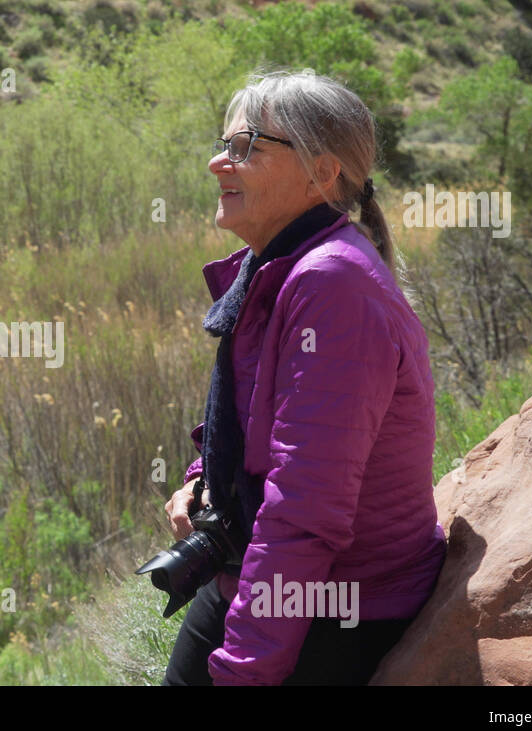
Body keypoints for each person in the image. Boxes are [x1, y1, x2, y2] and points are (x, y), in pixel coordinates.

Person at [160, 70, 447, 686]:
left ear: (322, 173)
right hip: (264, 576)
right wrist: (201, 482)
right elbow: (255, 408)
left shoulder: (331, 283)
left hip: (335, 604)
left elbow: (307, 505)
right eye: (223, 143)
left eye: (245, 148)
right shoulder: (282, 264)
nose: (218, 162)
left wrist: (245, 670)